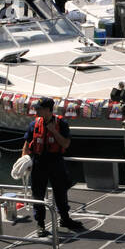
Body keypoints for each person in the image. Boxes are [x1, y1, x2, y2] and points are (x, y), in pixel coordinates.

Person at [20, 97, 84, 236]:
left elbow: (65, 144)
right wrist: (24, 160)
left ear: (48, 110)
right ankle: (40, 224)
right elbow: (26, 144)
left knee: (60, 191)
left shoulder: (61, 124)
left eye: (39, 109)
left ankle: (65, 219)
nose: (36, 111)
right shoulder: (34, 125)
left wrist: (53, 131)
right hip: (38, 162)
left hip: (55, 161)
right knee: (38, 194)